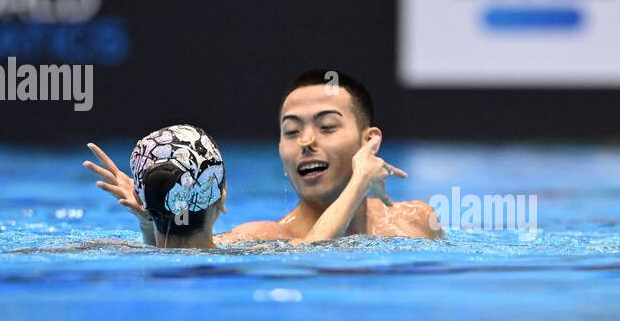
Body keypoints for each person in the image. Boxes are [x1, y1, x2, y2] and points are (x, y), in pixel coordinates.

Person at [84, 71, 441, 244]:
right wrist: (154, 221)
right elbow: (185, 258)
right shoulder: (264, 237)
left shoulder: (417, 221)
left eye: (327, 127)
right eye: (291, 131)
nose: (306, 141)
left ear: (369, 141)